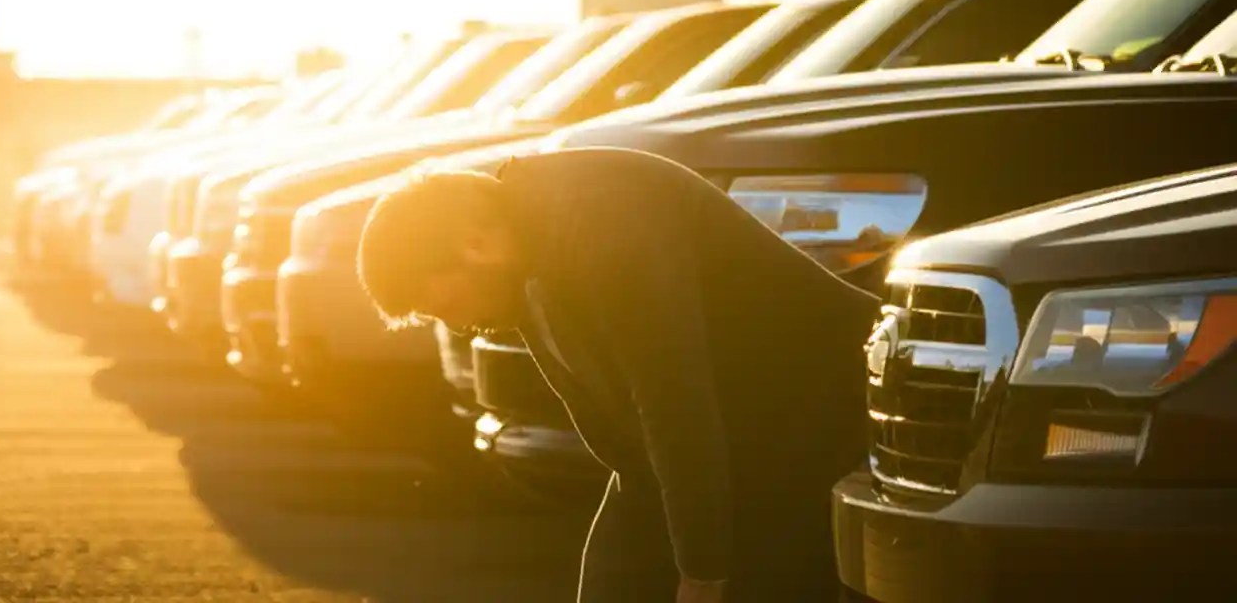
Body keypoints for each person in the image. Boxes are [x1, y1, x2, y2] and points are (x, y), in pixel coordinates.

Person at [357, 148, 878, 602]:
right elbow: (631, 441)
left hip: (819, 413)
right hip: (724, 430)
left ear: (476, 246)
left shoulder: (604, 221)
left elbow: (674, 404)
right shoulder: (526, 236)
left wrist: (704, 572)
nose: (460, 325)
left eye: (445, 304)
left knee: (751, 584)